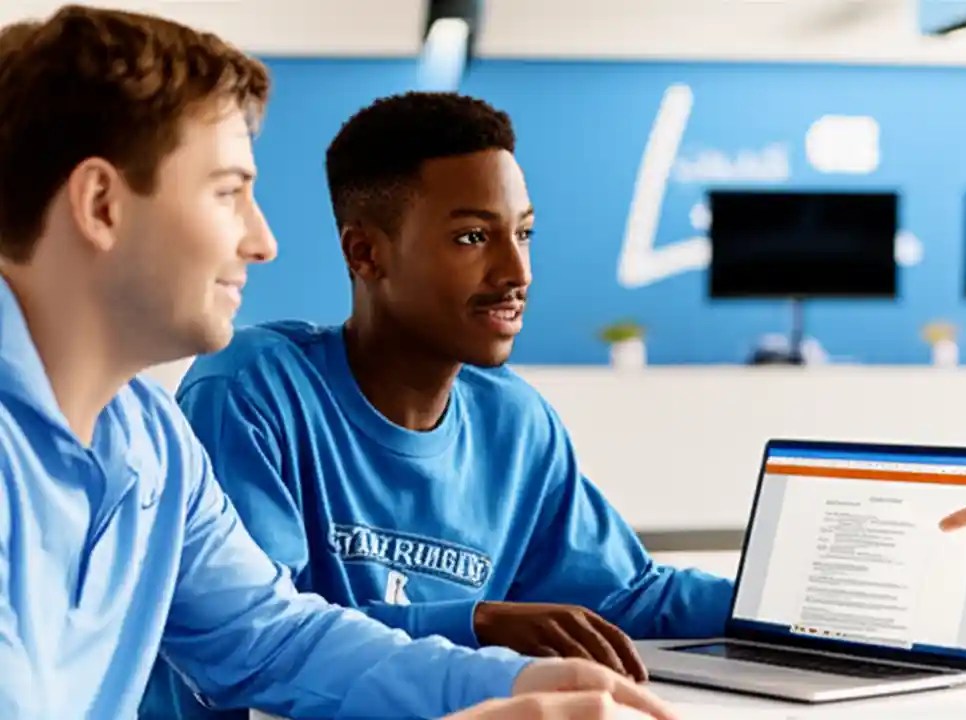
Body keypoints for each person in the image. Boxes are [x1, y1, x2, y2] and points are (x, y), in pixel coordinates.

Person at [0, 6, 675, 720]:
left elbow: (275, 639)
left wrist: (514, 686)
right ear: (102, 204)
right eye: (228, 192)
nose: (262, 241)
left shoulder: (152, 440)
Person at [143, 89, 734, 718]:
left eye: (523, 234)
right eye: (472, 237)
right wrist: (476, 623)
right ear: (365, 253)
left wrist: (783, 608)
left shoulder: (516, 423)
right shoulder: (251, 389)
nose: (516, 272)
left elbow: (628, 596)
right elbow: (269, 638)